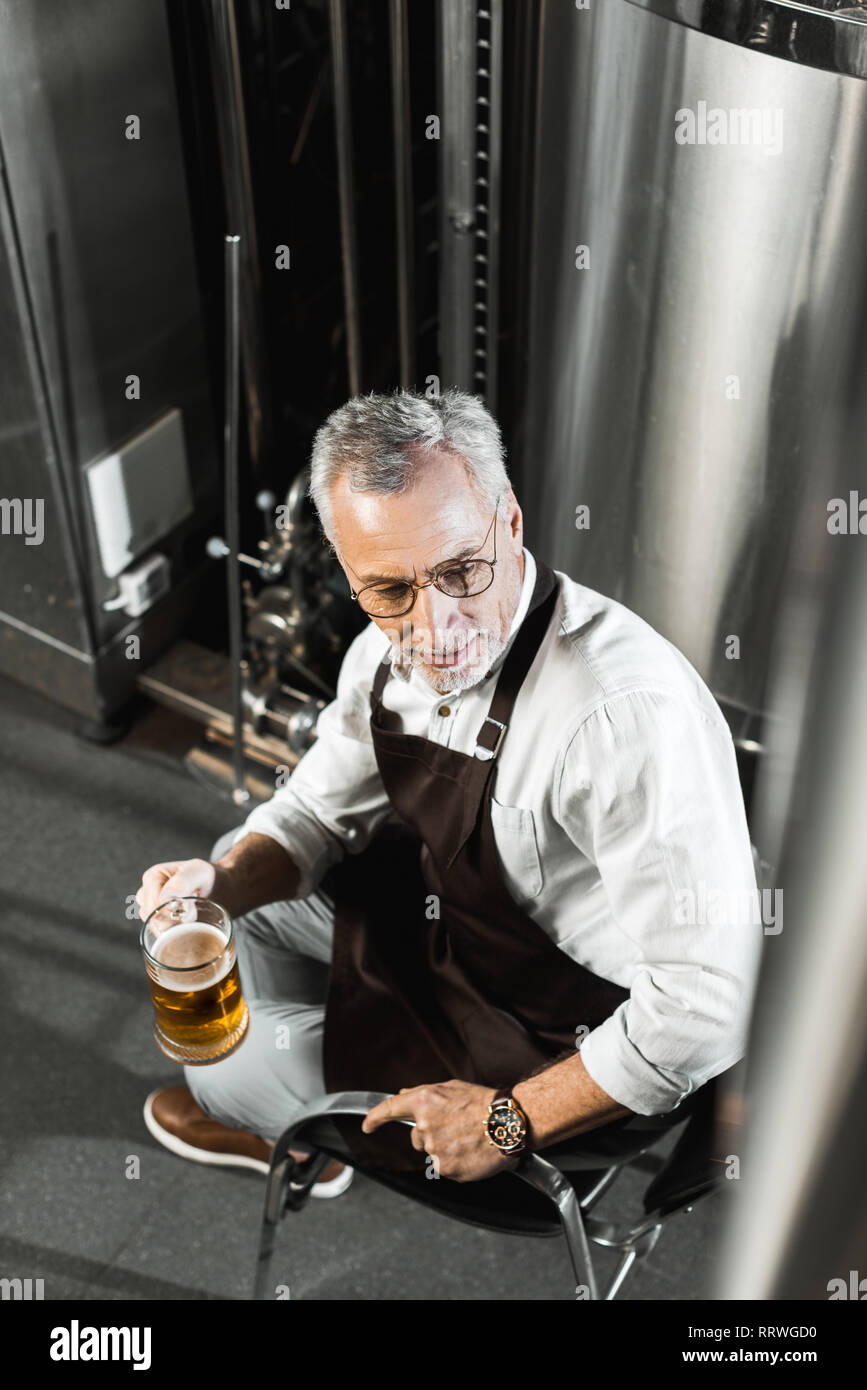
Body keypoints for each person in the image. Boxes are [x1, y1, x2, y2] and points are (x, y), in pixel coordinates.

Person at [136, 388, 762, 1195]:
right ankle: (312, 1107)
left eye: (460, 571)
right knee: (230, 877)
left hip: (565, 1027)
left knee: (225, 1072)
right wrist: (216, 886)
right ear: (351, 574)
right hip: (464, 938)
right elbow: (313, 815)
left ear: (509, 524)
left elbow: (709, 1002)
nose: (433, 626)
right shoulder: (379, 651)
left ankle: (284, 1117)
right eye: (390, 590)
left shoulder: (618, 716)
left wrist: (508, 1119)